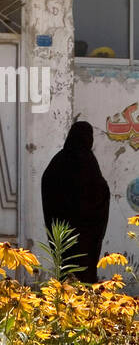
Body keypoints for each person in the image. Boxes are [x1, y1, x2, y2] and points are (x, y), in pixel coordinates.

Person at [41, 120, 110, 283]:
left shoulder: (57, 162)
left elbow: (47, 186)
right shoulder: (88, 162)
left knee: (65, 274)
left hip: (62, 234)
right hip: (86, 237)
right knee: (84, 275)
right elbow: (99, 193)